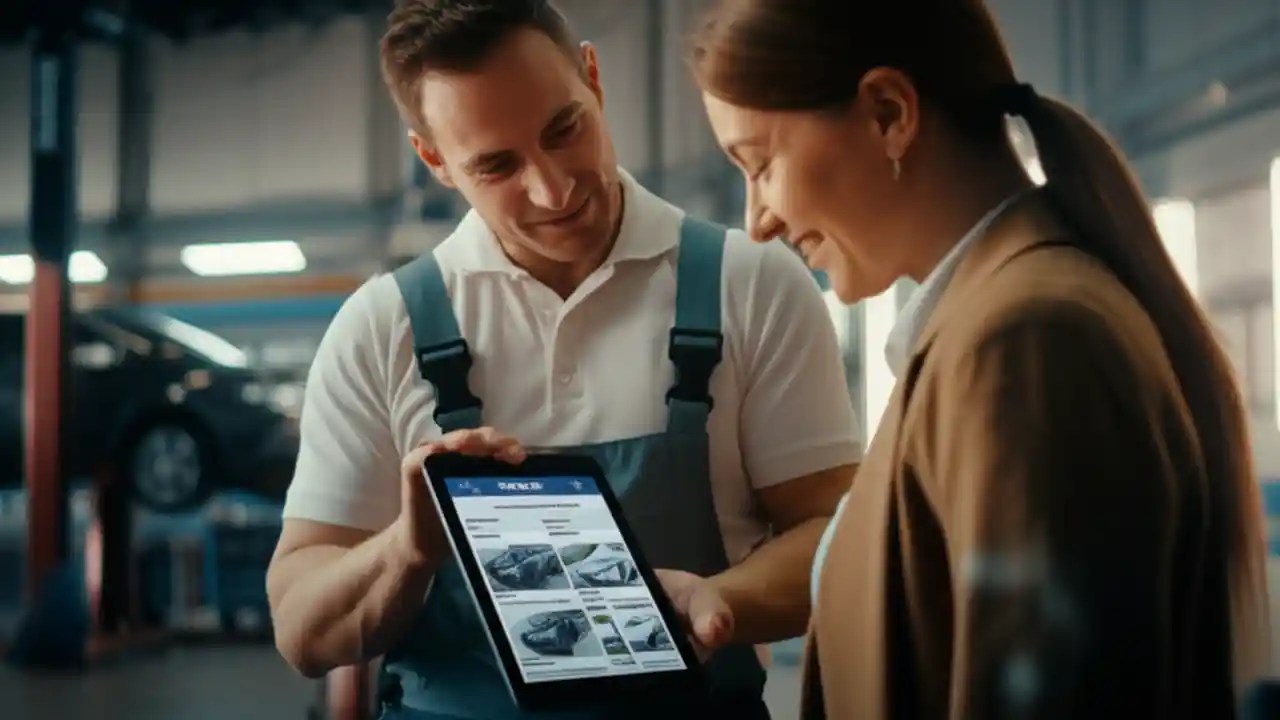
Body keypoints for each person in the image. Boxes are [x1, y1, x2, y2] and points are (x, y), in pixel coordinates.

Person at [265, 1, 861, 718]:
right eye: (496, 165)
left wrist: (719, 602)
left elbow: (840, 538)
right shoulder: (380, 329)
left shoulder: (751, 285)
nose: (553, 189)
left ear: (593, 77)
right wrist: (409, 549)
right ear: (434, 159)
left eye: (564, 129)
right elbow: (302, 630)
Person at [687, 0, 1272, 718]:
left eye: (761, 164)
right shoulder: (987, 329)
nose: (756, 219)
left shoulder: (1025, 344)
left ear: (888, 114)